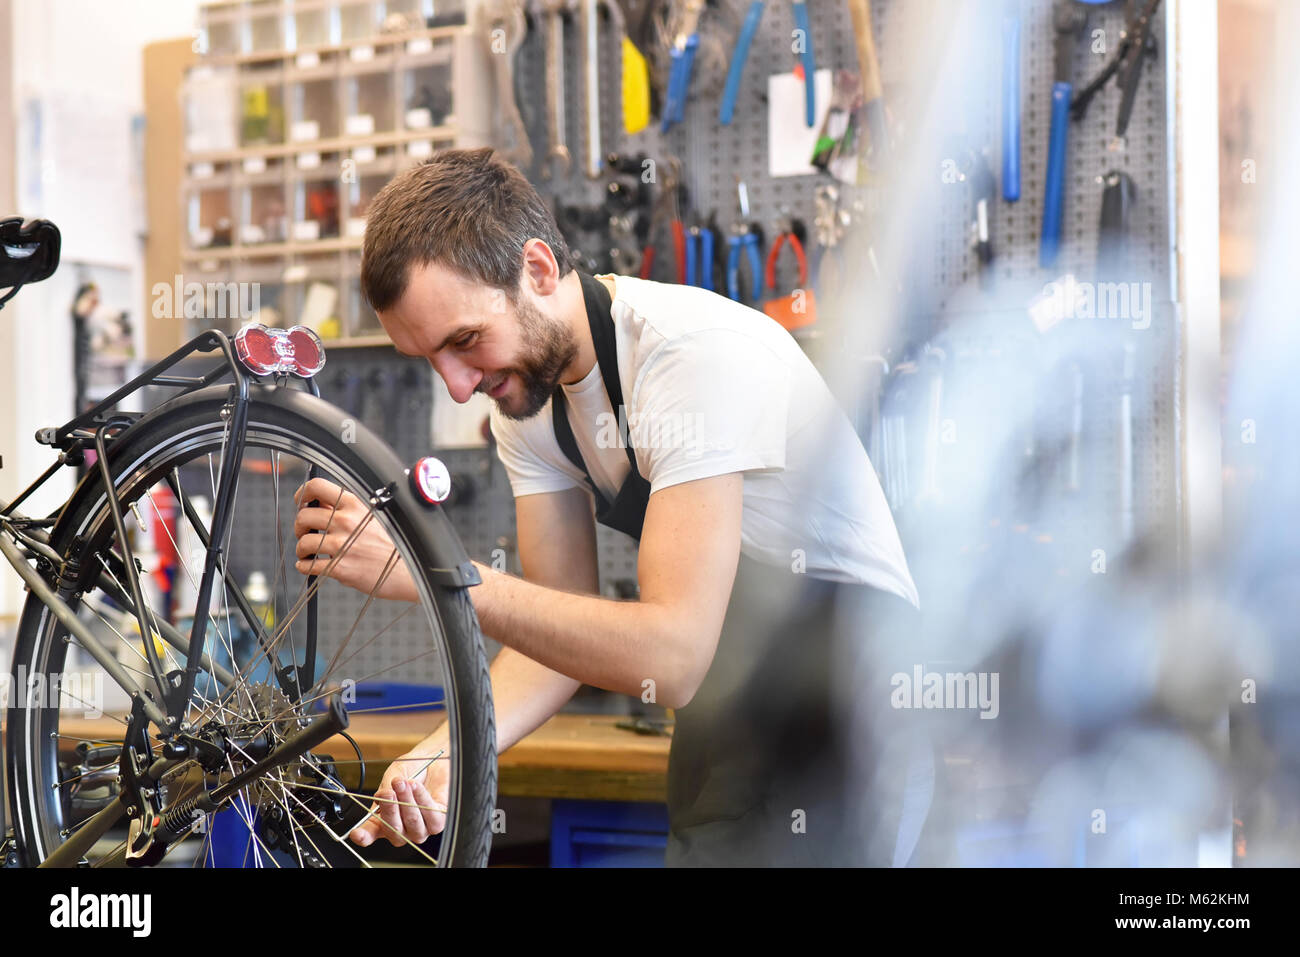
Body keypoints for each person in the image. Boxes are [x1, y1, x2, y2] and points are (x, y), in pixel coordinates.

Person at [292, 147, 925, 865]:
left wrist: (443, 573)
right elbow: (558, 642)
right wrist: (443, 754)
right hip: (727, 716)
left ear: (536, 269)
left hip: (850, 705)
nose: (460, 386)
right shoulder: (526, 406)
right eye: (433, 360)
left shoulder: (689, 357)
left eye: (465, 341)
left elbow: (673, 654)